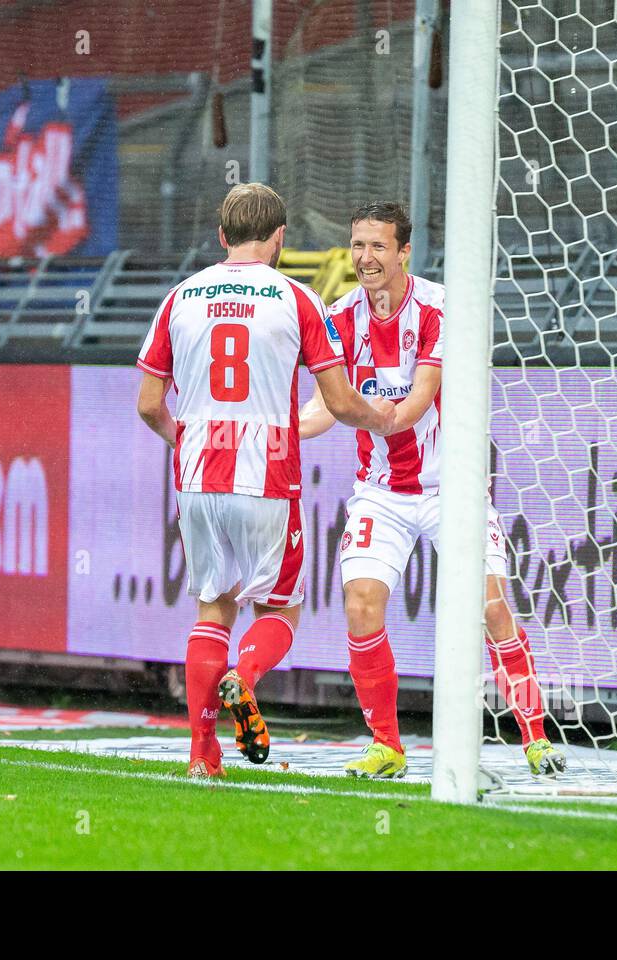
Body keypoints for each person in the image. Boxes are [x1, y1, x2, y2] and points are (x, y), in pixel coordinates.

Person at [136, 183, 397, 776]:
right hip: (269, 477)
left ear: (222, 237)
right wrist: (384, 419)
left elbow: (149, 404)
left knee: (212, 609)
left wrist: (191, 437)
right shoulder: (297, 300)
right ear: (280, 238)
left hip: (199, 477)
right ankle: (244, 676)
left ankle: (204, 756)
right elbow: (337, 399)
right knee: (280, 612)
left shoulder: (180, 296)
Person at [300, 201, 565, 779]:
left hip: (453, 486)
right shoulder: (341, 318)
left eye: (377, 246)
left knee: (491, 605)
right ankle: (387, 745)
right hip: (380, 490)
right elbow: (325, 406)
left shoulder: (440, 307)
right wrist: (282, 430)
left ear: (403, 252)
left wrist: (364, 413)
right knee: (361, 604)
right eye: (358, 245)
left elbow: (416, 402)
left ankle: (536, 737)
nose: (365, 258)